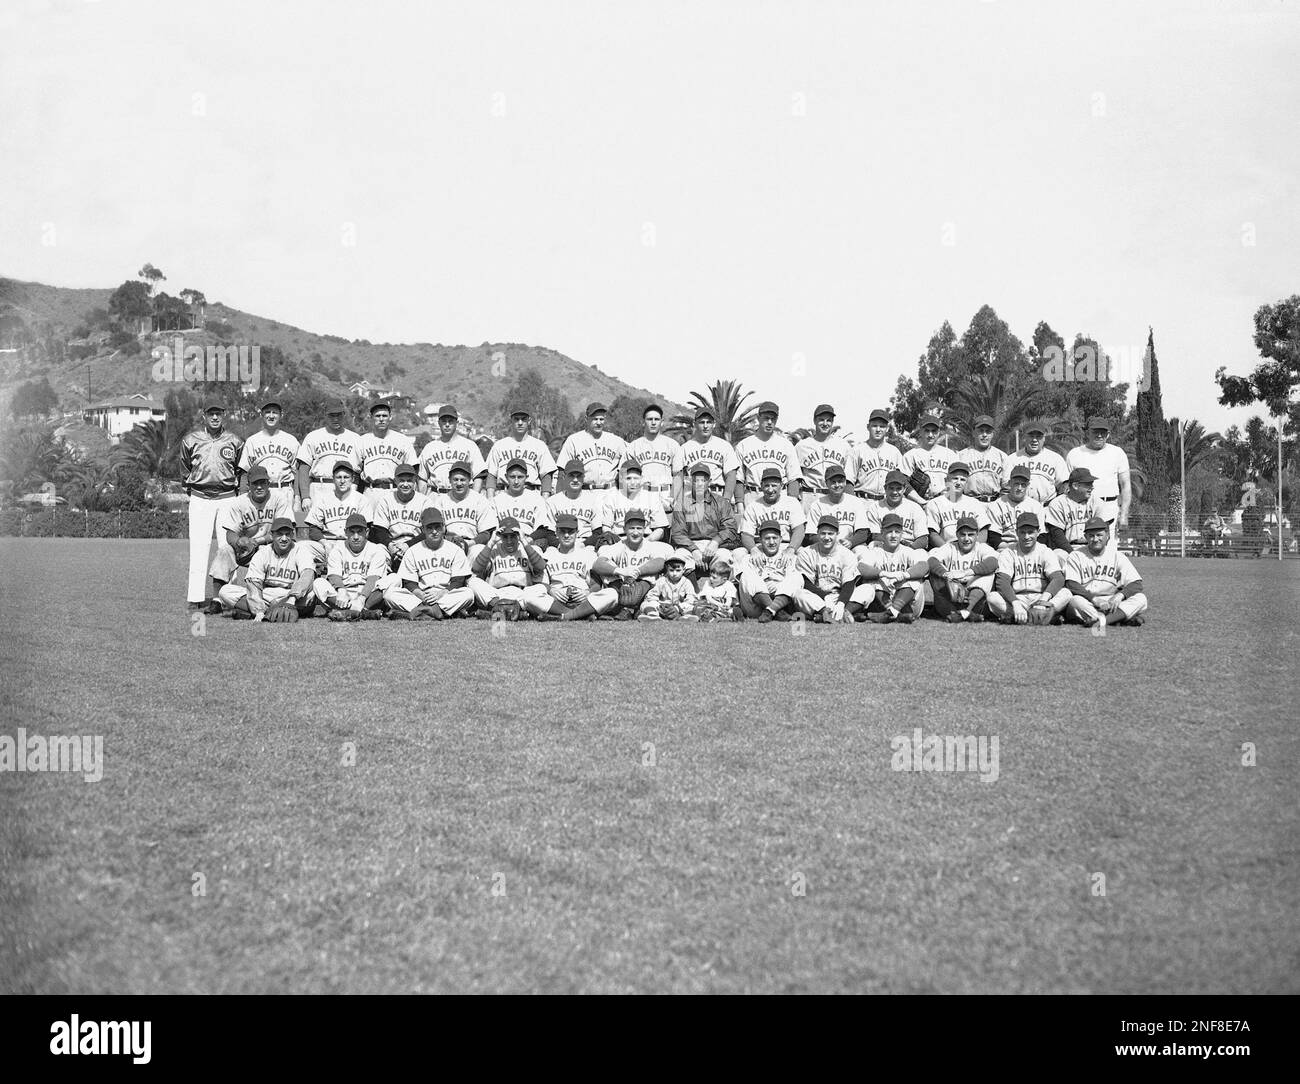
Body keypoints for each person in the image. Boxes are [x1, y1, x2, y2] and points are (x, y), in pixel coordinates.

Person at [181, 402, 244, 612]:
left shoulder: (234, 441)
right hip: (200, 497)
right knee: (198, 548)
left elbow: (239, 470)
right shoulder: (191, 440)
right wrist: (193, 490)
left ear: (224, 415)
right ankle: (195, 597)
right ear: (204, 416)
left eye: (218, 413)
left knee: (227, 548)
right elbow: (185, 468)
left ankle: (230, 596)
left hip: (227, 497)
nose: (215, 417)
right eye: (211, 414)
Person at [210, 464, 293, 593]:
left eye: (262, 483)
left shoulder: (279, 499)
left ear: (268, 483)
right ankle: (217, 600)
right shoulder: (239, 502)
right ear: (248, 485)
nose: (259, 487)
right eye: (255, 483)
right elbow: (230, 533)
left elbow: (284, 531)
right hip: (246, 549)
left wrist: (257, 541)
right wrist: (238, 542)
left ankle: (269, 593)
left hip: (272, 547)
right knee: (224, 551)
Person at [383, 506, 474, 619]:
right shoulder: (412, 551)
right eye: (430, 528)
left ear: (444, 527)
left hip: (446, 594)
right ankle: (437, 611)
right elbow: (409, 583)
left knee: (468, 594)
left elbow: (458, 581)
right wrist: (421, 595)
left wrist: (442, 593)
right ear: (423, 529)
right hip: (421, 597)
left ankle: (423, 612)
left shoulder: (455, 550)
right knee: (389, 594)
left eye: (438, 527)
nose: (434, 531)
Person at [525, 513, 620, 621]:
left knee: (612, 594)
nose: (566, 535)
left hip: (583, 600)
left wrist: (588, 593)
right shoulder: (548, 555)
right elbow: (542, 584)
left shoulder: (587, 554)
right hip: (556, 600)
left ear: (577, 532)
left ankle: (563, 617)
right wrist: (551, 591)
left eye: (570, 531)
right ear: (556, 532)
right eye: (562, 531)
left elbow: (595, 584)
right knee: (529, 594)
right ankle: (582, 615)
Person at [217, 517, 315, 620]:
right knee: (225, 591)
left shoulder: (300, 550)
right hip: (266, 595)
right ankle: (273, 612)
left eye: (287, 534)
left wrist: (292, 599)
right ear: (272, 535)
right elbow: (254, 583)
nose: (284, 538)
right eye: (280, 534)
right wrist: (258, 610)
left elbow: (307, 575)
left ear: (292, 535)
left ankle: (261, 612)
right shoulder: (263, 553)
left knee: (312, 594)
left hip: (291, 595)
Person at [986, 512, 1071, 624]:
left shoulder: (1045, 551)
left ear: (1038, 532)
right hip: (1018, 598)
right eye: (1023, 532)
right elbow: (1002, 582)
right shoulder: (1008, 553)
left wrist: (1043, 600)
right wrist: (1015, 604)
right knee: (992, 598)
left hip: (1041, 597)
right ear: (1017, 533)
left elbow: (1058, 578)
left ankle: (1021, 618)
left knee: (1066, 593)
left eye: (1030, 532)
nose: (1026, 537)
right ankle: (1044, 618)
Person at [1063, 517, 1149, 627]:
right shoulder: (1076, 555)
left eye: (1099, 535)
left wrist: (1120, 596)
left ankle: (1102, 620)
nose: (1095, 539)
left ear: (1107, 535)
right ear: (1085, 537)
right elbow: (1071, 584)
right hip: (1087, 600)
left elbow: (1136, 583)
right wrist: (1094, 599)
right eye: (1091, 535)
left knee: (1141, 599)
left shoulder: (1117, 556)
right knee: (1074, 601)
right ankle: (1118, 618)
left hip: (1111, 600)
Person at [848, 512, 927, 623]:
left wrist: (905, 575)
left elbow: (924, 566)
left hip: (909, 605)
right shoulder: (875, 551)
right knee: (872, 582)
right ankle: (895, 615)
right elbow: (861, 567)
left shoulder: (908, 551)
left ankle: (892, 612)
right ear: (882, 533)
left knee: (915, 581)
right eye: (889, 532)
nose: (894, 535)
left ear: (902, 534)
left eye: (897, 532)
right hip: (884, 602)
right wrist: (885, 574)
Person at [468, 517, 551, 620]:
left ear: (518, 535)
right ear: (500, 536)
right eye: (505, 536)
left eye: (513, 536)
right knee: (473, 582)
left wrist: (524, 541)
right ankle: (505, 608)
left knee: (540, 587)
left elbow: (541, 567)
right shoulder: (493, 549)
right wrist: (491, 542)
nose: (509, 541)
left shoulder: (529, 549)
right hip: (497, 595)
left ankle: (501, 610)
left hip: (522, 595)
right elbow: (476, 569)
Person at [670, 461, 742, 579]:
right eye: (696, 480)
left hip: (716, 544)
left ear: (709, 481)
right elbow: (678, 533)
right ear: (690, 481)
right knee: (679, 558)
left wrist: (715, 542)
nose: (699, 484)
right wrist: (694, 550)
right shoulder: (682, 503)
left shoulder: (721, 502)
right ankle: (691, 594)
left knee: (723, 557)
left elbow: (730, 527)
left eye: (703, 480)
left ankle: (719, 594)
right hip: (690, 545)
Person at [596, 509, 672, 619]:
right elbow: (598, 564)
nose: (635, 532)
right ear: (624, 529)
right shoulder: (618, 546)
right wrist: (620, 571)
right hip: (621, 588)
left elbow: (659, 562)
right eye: (631, 528)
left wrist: (637, 571)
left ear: (644, 529)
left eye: (639, 528)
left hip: (644, 591)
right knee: (608, 576)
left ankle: (630, 610)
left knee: (648, 581)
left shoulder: (651, 546)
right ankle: (623, 610)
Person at [313, 513, 389, 620]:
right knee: (318, 583)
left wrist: (361, 599)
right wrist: (341, 590)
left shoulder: (376, 550)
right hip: (344, 596)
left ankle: (349, 612)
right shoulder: (338, 550)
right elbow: (334, 575)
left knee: (394, 579)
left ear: (366, 532)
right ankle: (362, 613)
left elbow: (373, 579)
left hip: (367, 596)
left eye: (359, 532)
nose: (356, 537)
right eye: (352, 532)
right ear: (345, 532)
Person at [927, 516, 998, 622]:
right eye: (962, 534)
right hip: (951, 601)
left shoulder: (982, 548)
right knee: (935, 574)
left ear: (977, 535)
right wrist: (946, 574)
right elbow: (931, 560)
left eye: (971, 535)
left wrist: (966, 573)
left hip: (976, 600)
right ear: (956, 535)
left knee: (988, 574)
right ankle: (968, 614)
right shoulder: (950, 547)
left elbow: (993, 562)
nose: (966, 539)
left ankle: (965, 612)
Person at [296, 399, 360, 515]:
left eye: (339, 415)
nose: (335, 419)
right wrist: (305, 496)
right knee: (316, 527)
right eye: (331, 415)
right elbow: (303, 468)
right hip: (320, 487)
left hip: (347, 490)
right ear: (325, 415)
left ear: (344, 414)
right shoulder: (313, 437)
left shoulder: (355, 438)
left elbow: (361, 470)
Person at [304, 459, 369, 572]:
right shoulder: (323, 499)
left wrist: (351, 544)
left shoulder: (361, 500)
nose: (342, 481)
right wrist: (324, 543)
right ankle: (310, 576)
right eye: (339, 477)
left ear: (353, 479)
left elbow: (368, 528)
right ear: (333, 479)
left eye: (346, 477)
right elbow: (313, 528)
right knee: (303, 547)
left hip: (352, 543)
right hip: (327, 543)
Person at [1066, 416, 1131, 527]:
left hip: (1109, 508)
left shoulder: (1118, 453)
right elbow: (1067, 487)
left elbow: (1126, 485)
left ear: (1108, 434)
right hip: (1081, 510)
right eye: (1095, 431)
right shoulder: (1074, 454)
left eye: (1103, 432)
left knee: (1108, 544)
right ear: (1087, 433)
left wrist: (1124, 515)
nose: (1099, 435)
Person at [735, 401, 802, 507]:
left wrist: (791, 504)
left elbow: (793, 478)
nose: (770, 422)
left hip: (780, 498)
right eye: (766, 418)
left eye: (773, 419)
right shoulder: (744, 445)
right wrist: (739, 504)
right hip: (753, 496)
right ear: (758, 417)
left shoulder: (786, 445)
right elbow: (738, 479)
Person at [357, 400, 416, 516]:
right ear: (371, 417)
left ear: (390, 417)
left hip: (395, 491)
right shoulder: (362, 441)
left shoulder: (402, 440)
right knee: (369, 528)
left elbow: (413, 470)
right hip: (370, 491)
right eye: (377, 416)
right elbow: (354, 472)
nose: (381, 419)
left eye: (384, 415)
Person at [795, 516, 859, 622]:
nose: (826, 537)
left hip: (841, 595)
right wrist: (825, 597)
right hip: (817, 597)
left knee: (867, 589)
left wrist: (841, 603)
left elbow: (849, 583)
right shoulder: (807, 553)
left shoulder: (847, 554)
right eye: (823, 533)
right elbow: (806, 582)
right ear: (817, 533)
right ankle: (827, 612)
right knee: (798, 594)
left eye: (830, 534)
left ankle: (839, 612)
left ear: (837, 534)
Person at [737, 521, 804, 622]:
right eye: (767, 538)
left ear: (781, 539)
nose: (772, 542)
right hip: (756, 607)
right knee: (746, 575)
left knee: (797, 576)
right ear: (760, 540)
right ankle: (777, 612)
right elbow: (745, 586)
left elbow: (792, 586)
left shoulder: (790, 557)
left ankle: (771, 610)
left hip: (784, 603)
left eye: (775, 538)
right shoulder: (749, 558)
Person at [796, 404, 857, 514]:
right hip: (810, 495)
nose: (825, 423)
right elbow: (795, 477)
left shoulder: (843, 446)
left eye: (829, 420)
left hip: (834, 496)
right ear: (814, 420)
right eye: (821, 420)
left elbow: (849, 478)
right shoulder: (801, 446)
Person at [369, 463, 431, 573]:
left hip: (416, 544)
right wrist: (391, 546)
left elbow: (429, 531)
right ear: (395, 481)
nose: (405, 484)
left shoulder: (425, 501)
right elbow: (379, 530)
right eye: (402, 480)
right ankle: (380, 585)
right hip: (393, 544)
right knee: (378, 550)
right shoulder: (386, 500)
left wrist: (408, 545)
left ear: (415, 481)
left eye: (409, 480)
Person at [625, 403, 685, 514]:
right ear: (643, 422)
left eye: (656, 419)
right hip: (642, 494)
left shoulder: (672, 445)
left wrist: (672, 498)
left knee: (667, 530)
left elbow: (678, 475)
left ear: (662, 422)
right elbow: (624, 476)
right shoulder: (633, 446)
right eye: (649, 419)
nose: (653, 422)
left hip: (665, 494)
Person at [486, 406, 558, 495]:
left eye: (523, 419)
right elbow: (491, 474)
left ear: (529, 421)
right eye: (516, 419)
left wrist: (545, 498)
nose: (520, 423)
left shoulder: (539, 445)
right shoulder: (499, 445)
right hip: (503, 493)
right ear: (511, 421)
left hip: (530, 493)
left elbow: (546, 475)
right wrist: (490, 498)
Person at [433, 460, 498, 559]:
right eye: (455, 479)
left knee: (479, 551)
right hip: (448, 544)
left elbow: (486, 533)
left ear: (470, 480)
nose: (459, 483)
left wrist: (469, 543)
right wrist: (449, 541)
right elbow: (436, 530)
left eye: (462, 480)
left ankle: (476, 575)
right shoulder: (441, 501)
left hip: (472, 543)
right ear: (449, 480)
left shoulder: (480, 500)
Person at [558, 402, 627, 493]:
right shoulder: (573, 440)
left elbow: (626, 468)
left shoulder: (616, 441)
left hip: (610, 492)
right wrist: (561, 498)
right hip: (585, 492)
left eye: (601, 419)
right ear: (586, 419)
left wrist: (624, 494)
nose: (599, 423)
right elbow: (562, 471)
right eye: (595, 419)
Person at [418, 405, 487, 494]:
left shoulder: (469, 446)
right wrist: (423, 500)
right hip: (436, 495)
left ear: (457, 423)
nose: (447, 424)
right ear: (438, 423)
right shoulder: (429, 448)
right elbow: (422, 478)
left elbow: (478, 475)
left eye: (450, 421)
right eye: (444, 421)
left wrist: (474, 498)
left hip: (462, 496)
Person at [678, 407, 741, 506]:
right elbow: (679, 476)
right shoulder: (685, 448)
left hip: (717, 494)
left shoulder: (724, 446)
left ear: (714, 424)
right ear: (695, 424)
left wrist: (726, 500)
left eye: (709, 422)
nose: (705, 426)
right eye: (702, 422)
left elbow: (731, 475)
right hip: (693, 498)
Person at [237, 400, 299, 495]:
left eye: (274, 412)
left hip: (285, 490)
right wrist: (243, 496)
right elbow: (245, 473)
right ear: (262, 415)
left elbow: (297, 472)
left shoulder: (291, 440)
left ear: (281, 415)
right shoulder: (252, 441)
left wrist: (298, 497)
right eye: (267, 412)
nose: (271, 416)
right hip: (260, 493)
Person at [492, 458, 557, 548]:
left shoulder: (536, 499)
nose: (516, 481)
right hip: (504, 542)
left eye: (520, 477)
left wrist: (528, 540)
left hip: (528, 540)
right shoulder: (496, 500)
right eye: (512, 477)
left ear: (526, 477)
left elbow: (543, 529)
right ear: (506, 477)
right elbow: (492, 530)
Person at [739, 468, 806, 554]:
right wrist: (753, 550)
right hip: (761, 546)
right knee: (739, 553)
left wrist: (791, 548)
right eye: (767, 486)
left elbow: (799, 530)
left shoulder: (792, 503)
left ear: (781, 486)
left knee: (803, 553)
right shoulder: (753, 506)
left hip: (786, 544)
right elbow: (746, 534)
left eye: (774, 485)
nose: (770, 490)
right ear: (761, 486)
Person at [547, 459, 612, 546]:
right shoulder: (552, 501)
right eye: (571, 476)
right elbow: (549, 533)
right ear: (564, 477)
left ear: (583, 477)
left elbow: (597, 532)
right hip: (560, 544)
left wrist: (583, 545)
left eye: (579, 476)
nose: (575, 480)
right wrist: (561, 546)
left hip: (586, 545)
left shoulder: (594, 500)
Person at [925, 463, 989, 548]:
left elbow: (983, 531)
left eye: (962, 479)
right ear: (946, 480)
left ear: (967, 483)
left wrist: (974, 549)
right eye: (955, 478)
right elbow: (933, 534)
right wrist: (949, 552)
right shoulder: (935, 503)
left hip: (972, 547)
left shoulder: (975, 503)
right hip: (946, 548)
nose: (958, 483)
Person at [603, 459, 669, 542]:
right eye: (628, 478)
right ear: (621, 479)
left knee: (668, 551)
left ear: (641, 479)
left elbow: (660, 529)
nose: (632, 482)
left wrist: (646, 542)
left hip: (646, 540)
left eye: (636, 478)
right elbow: (606, 527)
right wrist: (617, 542)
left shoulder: (651, 496)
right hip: (619, 540)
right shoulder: (612, 496)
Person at [805, 464, 870, 548]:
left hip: (850, 546)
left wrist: (851, 542)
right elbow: (811, 535)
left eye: (840, 481)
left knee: (865, 554)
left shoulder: (856, 502)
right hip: (824, 546)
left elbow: (863, 532)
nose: (837, 485)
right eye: (833, 482)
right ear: (826, 483)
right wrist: (830, 544)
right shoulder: (817, 504)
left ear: (845, 482)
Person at [1045, 467, 1104, 559]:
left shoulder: (1096, 502)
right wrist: (1073, 554)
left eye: (1091, 484)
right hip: (1066, 548)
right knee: (1058, 555)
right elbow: (1057, 534)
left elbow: (1103, 530)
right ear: (1075, 486)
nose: (1092, 488)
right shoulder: (1058, 503)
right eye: (1088, 485)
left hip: (1092, 546)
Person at [985, 465, 1046, 550]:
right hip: (1005, 548)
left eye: (1023, 485)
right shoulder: (997, 505)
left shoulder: (1036, 506)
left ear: (1028, 485)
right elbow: (994, 537)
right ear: (1010, 483)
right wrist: (1013, 549)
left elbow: (1041, 536)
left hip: (1031, 548)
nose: (1019, 488)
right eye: (1016, 484)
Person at [863, 469, 928, 549]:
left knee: (922, 554)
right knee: (872, 545)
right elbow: (875, 535)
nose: (894, 492)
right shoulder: (875, 507)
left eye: (898, 488)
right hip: (883, 546)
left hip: (910, 547)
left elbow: (923, 539)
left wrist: (910, 548)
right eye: (891, 488)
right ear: (885, 488)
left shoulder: (915, 508)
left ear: (904, 489)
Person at [1007, 421, 1067, 505]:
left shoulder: (1055, 459)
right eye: (1031, 436)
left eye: (1038, 436)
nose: (1034, 440)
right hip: (1019, 506)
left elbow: (1064, 486)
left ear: (1044, 438)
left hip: (1047, 506)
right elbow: (1006, 487)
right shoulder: (1012, 459)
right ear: (1024, 437)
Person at [900, 413, 954, 506]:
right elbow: (902, 481)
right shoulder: (911, 455)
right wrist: (919, 500)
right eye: (927, 431)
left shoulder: (950, 454)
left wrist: (951, 498)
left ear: (939, 432)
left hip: (945, 502)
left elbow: (958, 479)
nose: (930, 435)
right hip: (920, 504)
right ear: (920, 432)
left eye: (934, 431)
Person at [852, 408, 903, 501]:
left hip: (887, 502)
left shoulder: (894, 452)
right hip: (862, 500)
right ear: (868, 427)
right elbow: (849, 482)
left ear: (887, 428)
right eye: (874, 426)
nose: (878, 430)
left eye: (882, 426)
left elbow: (903, 481)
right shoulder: (857, 450)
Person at [958, 414, 1007, 502]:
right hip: (970, 502)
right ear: (973, 432)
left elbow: (1007, 486)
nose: (984, 435)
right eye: (981, 431)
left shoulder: (1002, 456)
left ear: (992, 434)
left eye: (988, 431)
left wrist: (999, 503)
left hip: (995, 502)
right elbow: (954, 485)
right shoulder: (961, 456)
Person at [638, 555, 699, 621]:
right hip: (662, 608)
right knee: (645, 603)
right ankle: (652, 615)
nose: (674, 573)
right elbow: (651, 596)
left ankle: (687, 617)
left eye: (678, 570)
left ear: (683, 570)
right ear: (667, 569)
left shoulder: (686, 582)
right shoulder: (661, 581)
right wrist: (659, 606)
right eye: (671, 570)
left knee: (691, 606)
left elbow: (691, 598)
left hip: (678, 609)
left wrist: (678, 607)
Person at [693, 553, 741, 622]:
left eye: (714, 577)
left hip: (723, 605)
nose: (711, 578)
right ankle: (719, 617)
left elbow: (729, 598)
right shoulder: (708, 583)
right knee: (700, 607)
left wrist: (726, 605)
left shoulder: (729, 585)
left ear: (724, 579)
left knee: (733, 610)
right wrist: (719, 605)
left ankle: (728, 616)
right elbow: (708, 598)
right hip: (712, 605)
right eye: (710, 576)